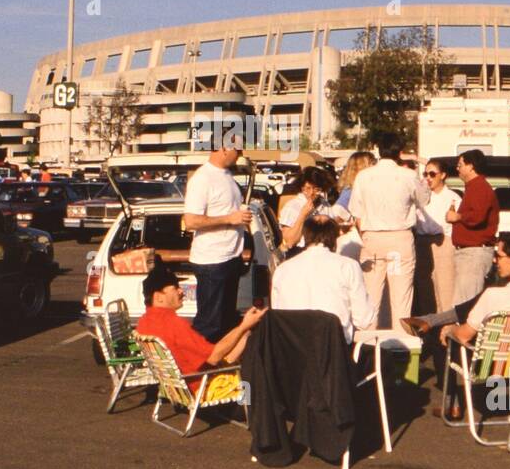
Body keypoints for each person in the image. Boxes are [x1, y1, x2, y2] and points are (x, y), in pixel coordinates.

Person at [137, 262, 266, 395]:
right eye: (175, 288)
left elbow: (213, 356)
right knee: (261, 374)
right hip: (204, 386)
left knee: (248, 337)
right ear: (158, 297)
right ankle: (255, 412)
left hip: (181, 387)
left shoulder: (144, 323)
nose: (181, 291)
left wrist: (244, 329)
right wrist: (244, 326)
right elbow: (214, 357)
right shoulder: (174, 324)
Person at [348, 138, 430, 332]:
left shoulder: (364, 176)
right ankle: (401, 347)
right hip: (400, 239)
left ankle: (367, 348)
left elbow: (356, 212)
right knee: (401, 298)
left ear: (378, 150)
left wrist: (365, 236)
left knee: (371, 297)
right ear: (400, 153)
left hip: (372, 239)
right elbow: (424, 200)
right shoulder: (408, 175)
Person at [181, 135, 252, 341]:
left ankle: (220, 368)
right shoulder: (202, 179)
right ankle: (199, 368)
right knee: (210, 324)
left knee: (227, 322)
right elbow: (191, 221)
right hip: (212, 260)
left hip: (230, 257)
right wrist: (230, 218)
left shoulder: (227, 176)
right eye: (237, 150)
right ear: (223, 148)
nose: (239, 155)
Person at [271, 217, 376, 343]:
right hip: (334, 352)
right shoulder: (348, 266)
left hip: (292, 351)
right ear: (335, 239)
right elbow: (364, 320)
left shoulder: (282, 270)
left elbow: (278, 317)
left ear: (305, 236)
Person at [445, 149, 500, 314]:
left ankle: (463, 338)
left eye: (460, 164)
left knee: (466, 306)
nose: (457, 168)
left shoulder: (479, 187)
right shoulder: (473, 187)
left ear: (471, 166)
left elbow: (477, 216)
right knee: (463, 301)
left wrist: (458, 217)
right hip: (469, 253)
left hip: (474, 254)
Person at [415, 158, 460, 316]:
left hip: (443, 243)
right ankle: (429, 330)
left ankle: (445, 329)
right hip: (422, 243)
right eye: (425, 174)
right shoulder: (421, 197)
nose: (428, 177)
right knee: (425, 289)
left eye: (432, 174)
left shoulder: (452, 197)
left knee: (445, 288)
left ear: (443, 175)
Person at [278, 166, 332, 254]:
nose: (311, 193)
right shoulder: (292, 206)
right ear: (301, 187)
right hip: (299, 253)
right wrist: (303, 214)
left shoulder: (325, 205)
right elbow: (289, 242)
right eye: (308, 188)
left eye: (316, 189)